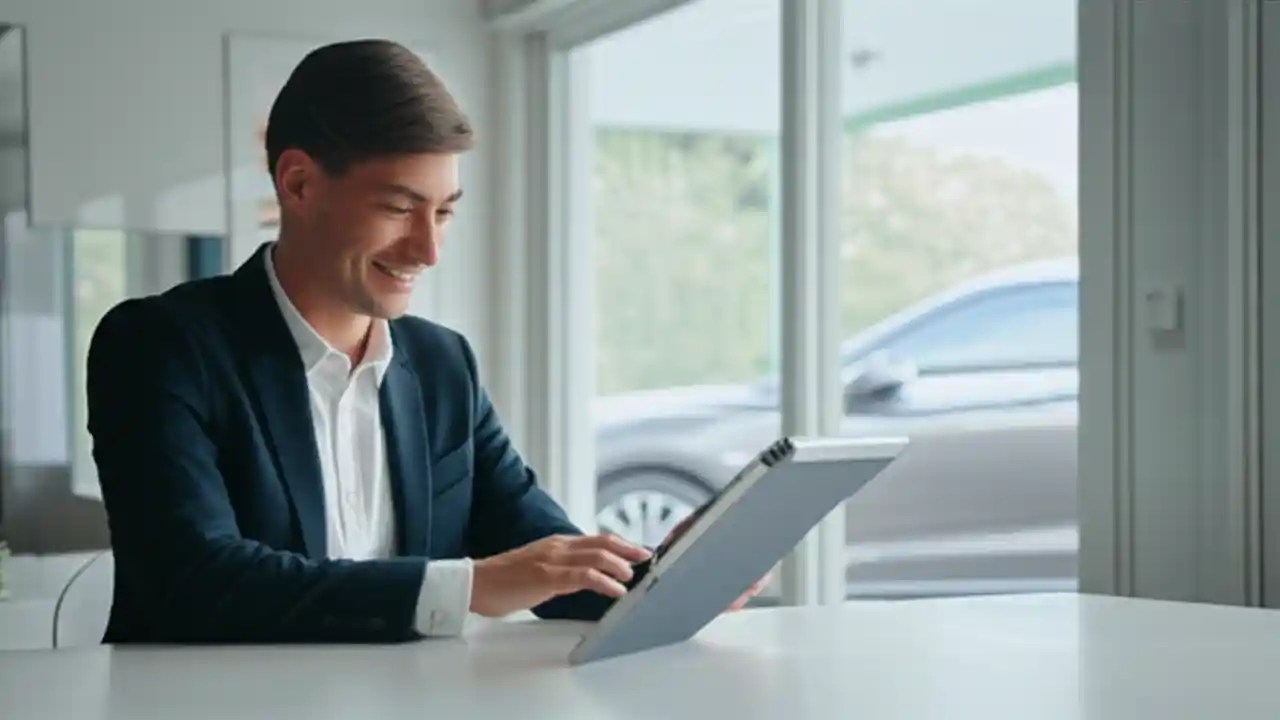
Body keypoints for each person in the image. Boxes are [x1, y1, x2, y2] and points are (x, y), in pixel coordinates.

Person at [86, 39, 762, 643]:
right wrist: (468, 586)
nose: (428, 250)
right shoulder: (158, 346)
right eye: (399, 208)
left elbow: (542, 557)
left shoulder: (441, 365)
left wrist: (664, 577)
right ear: (298, 183)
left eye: (443, 213)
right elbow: (195, 582)